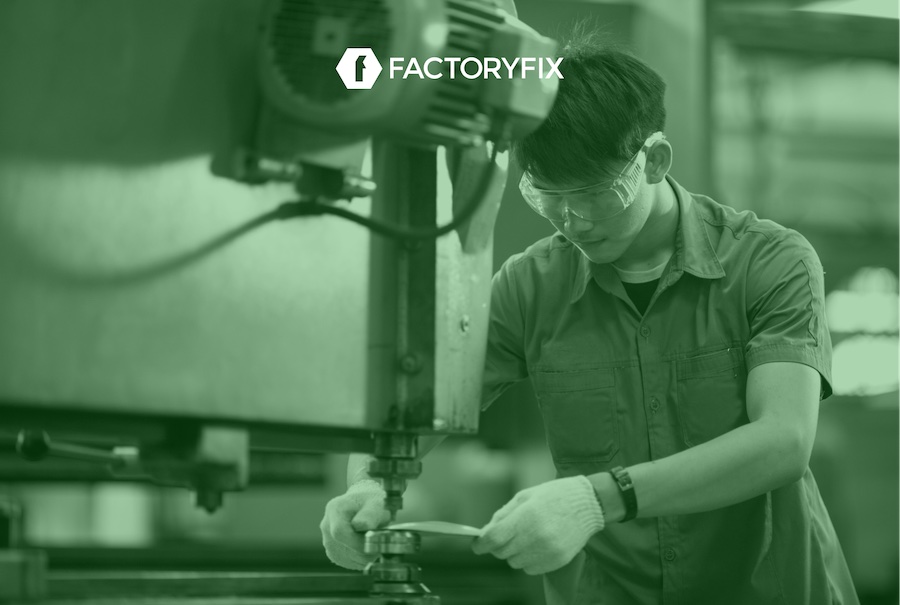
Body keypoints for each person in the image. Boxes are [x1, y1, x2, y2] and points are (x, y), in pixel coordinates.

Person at [320, 31, 859, 605]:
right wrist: (369, 480)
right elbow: (421, 402)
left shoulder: (771, 262)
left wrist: (599, 498)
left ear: (653, 160)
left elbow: (782, 440)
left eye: (594, 194)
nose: (571, 221)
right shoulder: (531, 287)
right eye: (546, 196)